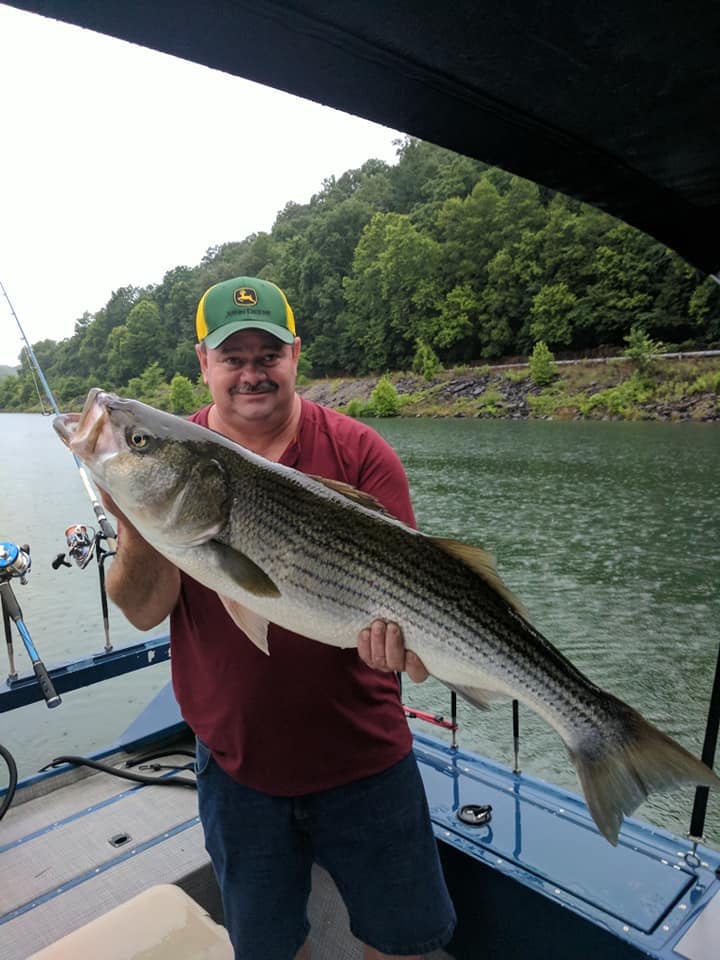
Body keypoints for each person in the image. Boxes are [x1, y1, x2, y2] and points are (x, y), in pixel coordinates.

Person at [104, 276, 456, 960]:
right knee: (265, 948)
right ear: (203, 363)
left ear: (297, 355)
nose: (251, 372)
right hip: (237, 767)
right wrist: (135, 520)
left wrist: (406, 646)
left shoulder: (360, 452)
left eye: (269, 353)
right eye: (233, 357)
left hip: (366, 757)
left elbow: (423, 594)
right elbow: (145, 611)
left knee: (405, 943)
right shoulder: (171, 464)